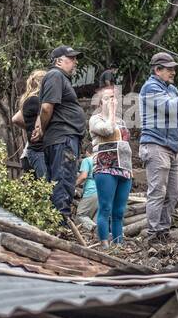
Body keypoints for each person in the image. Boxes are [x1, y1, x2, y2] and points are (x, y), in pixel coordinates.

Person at [138, 51, 178, 242]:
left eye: (174, 69)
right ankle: (153, 234)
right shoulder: (150, 87)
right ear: (157, 70)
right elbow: (171, 108)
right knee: (157, 192)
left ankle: (163, 231)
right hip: (156, 145)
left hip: (171, 148)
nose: (173, 72)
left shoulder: (171, 89)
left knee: (173, 194)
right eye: (169, 69)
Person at [32, 45, 86, 217]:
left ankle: (56, 224)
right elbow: (47, 108)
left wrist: (40, 127)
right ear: (59, 61)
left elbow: (46, 107)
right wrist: (42, 130)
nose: (75, 62)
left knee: (61, 182)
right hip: (63, 139)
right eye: (71, 58)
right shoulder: (55, 75)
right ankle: (60, 228)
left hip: (64, 139)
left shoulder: (59, 78)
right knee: (63, 183)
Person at [87, 85, 133, 244]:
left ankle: (118, 244)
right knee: (105, 207)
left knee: (119, 211)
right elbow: (107, 130)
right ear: (100, 103)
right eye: (107, 98)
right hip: (105, 167)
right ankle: (105, 244)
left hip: (124, 169)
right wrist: (112, 112)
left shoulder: (121, 121)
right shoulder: (95, 119)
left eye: (113, 97)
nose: (112, 101)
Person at [11, 68, 48, 179]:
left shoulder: (29, 99)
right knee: (46, 185)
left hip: (33, 151)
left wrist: (29, 127)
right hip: (37, 150)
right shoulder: (36, 101)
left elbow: (15, 118)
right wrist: (37, 129)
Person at [74, 146, 99, 230]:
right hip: (104, 191)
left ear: (87, 152)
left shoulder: (87, 160)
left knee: (80, 215)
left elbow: (83, 176)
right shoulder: (102, 160)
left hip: (91, 191)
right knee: (95, 219)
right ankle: (100, 235)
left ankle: (96, 229)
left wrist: (73, 185)